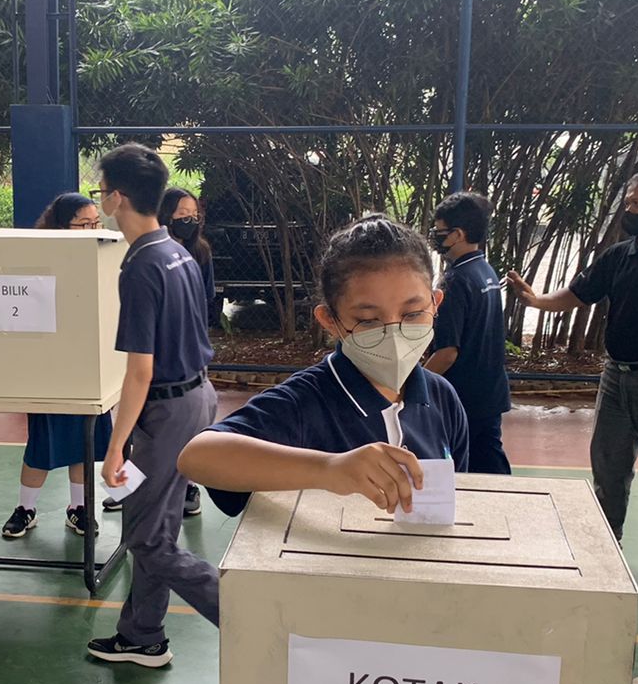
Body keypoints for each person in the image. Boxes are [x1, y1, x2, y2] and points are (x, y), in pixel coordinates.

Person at [505, 168, 638, 589]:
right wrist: (535, 301)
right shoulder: (620, 256)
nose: (630, 211)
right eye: (628, 203)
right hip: (615, 378)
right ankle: (606, 541)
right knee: (609, 466)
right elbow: (577, 294)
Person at [180, 215, 470, 518]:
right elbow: (198, 455)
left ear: (435, 303)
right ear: (330, 321)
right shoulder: (304, 404)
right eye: (368, 320)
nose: (394, 332)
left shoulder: (442, 398)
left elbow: (459, 494)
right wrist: (329, 468)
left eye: (412, 313)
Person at [89, 144, 219, 668]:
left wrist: (115, 447)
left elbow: (140, 370)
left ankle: (251, 615)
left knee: (149, 539)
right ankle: (142, 635)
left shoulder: (141, 265)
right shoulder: (177, 250)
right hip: (197, 397)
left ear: (118, 197)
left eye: (101, 191)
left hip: (167, 412)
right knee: (154, 526)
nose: (100, 200)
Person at [0, 192, 113, 539]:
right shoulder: (40, 258)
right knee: (42, 442)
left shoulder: (105, 257)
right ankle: (26, 508)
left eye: (95, 223)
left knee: (84, 440)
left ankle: (78, 509)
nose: (93, 229)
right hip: (48, 368)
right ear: (62, 226)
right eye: (84, 224)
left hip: (89, 366)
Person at [427, 191, 512, 474]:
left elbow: (447, 353)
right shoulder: (485, 271)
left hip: (464, 397)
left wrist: (415, 383)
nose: (437, 237)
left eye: (440, 232)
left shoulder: (455, 281)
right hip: (488, 391)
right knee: (489, 461)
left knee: (466, 469)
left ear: (458, 234)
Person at [159, 186, 215, 517]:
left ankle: (188, 487)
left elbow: (205, 301)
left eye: (193, 214)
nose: (189, 219)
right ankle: (130, 487)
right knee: (144, 426)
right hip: (153, 354)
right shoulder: (148, 253)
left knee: (188, 423)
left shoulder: (200, 253)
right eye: (182, 213)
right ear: (165, 214)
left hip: (187, 354)